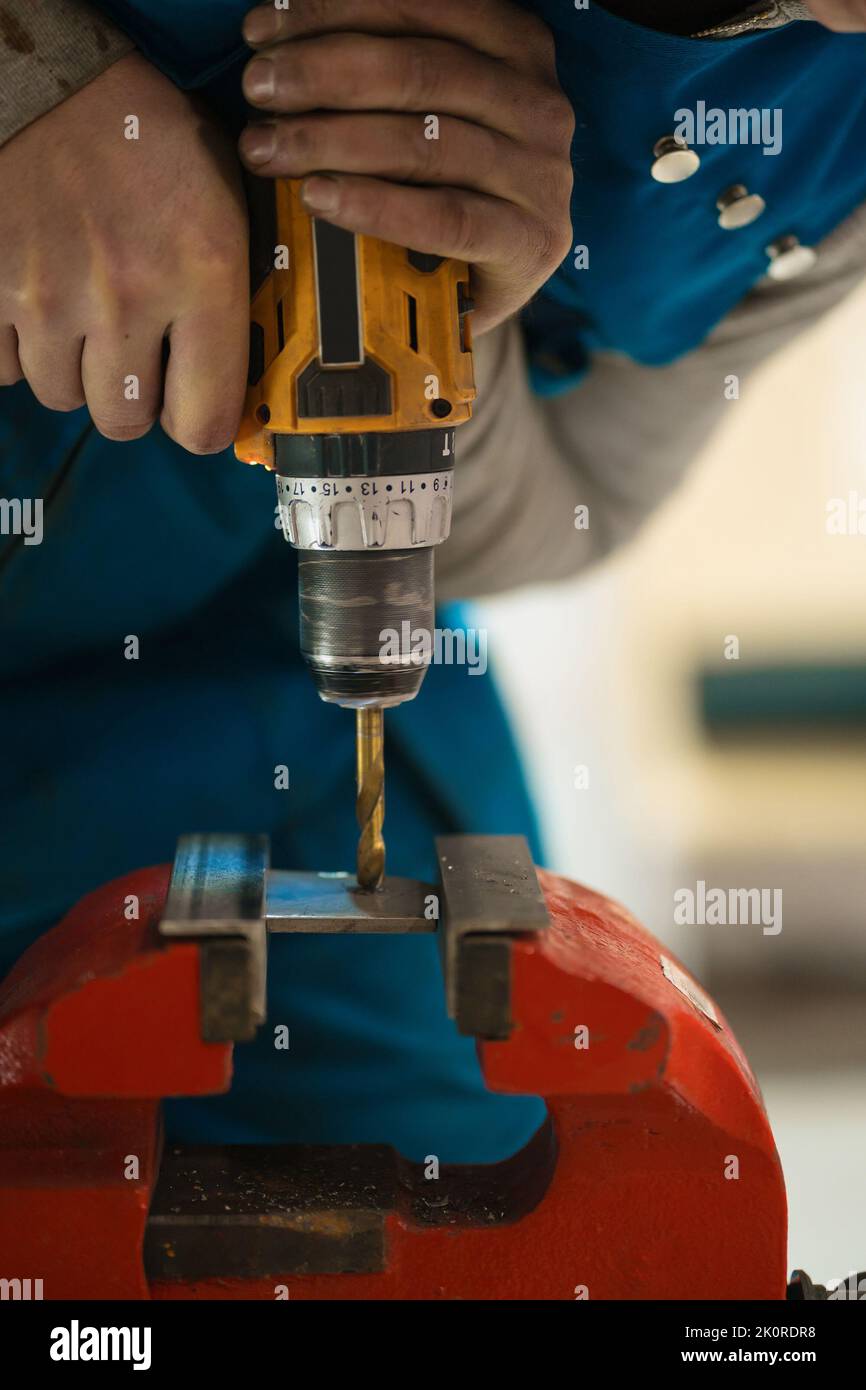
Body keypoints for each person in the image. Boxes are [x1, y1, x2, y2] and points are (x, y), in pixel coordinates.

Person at [1, 0, 865, 1163]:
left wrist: (464, 331)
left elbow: (584, 491)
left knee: (492, 1160)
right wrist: (29, 82)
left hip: (250, 672)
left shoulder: (828, 112)